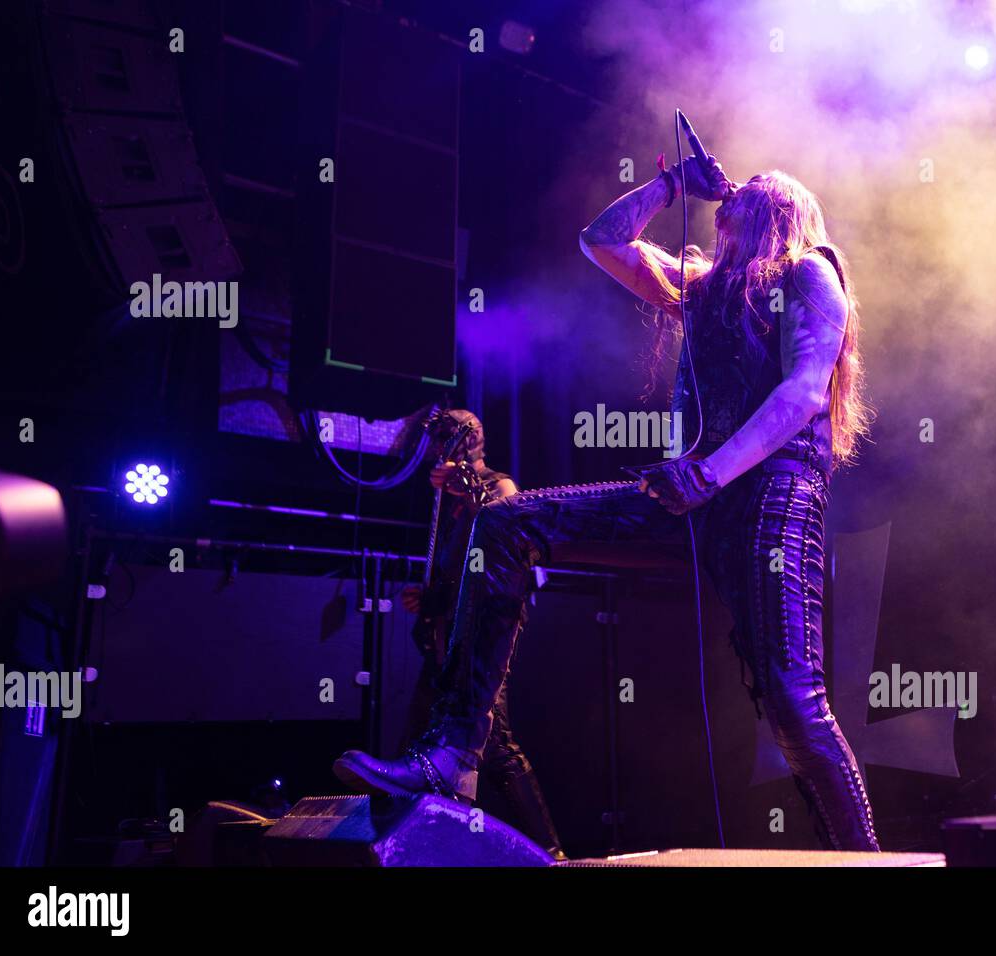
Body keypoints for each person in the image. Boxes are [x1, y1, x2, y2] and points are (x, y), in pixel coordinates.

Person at [334, 150, 878, 851]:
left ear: (783, 212)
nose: (732, 195)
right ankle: (454, 758)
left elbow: (804, 391)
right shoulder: (706, 284)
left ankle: (872, 861)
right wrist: (669, 184)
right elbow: (602, 242)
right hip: (694, 496)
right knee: (505, 523)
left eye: (750, 190)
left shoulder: (810, 271)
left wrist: (709, 475)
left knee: (791, 701)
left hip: (771, 494)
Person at [333, 409, 563, 858]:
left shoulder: (498, 485)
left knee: (494, 743)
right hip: (448, 639)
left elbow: (507, 536)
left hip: (484, 637)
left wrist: (468, 489)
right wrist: (432, 600)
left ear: (471, 438)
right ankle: (407, 850)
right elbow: (463, 572)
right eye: (437, 439)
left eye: (447, 437)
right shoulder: (446, 501)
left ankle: (551, 853)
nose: (439, 448)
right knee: (419, 742)